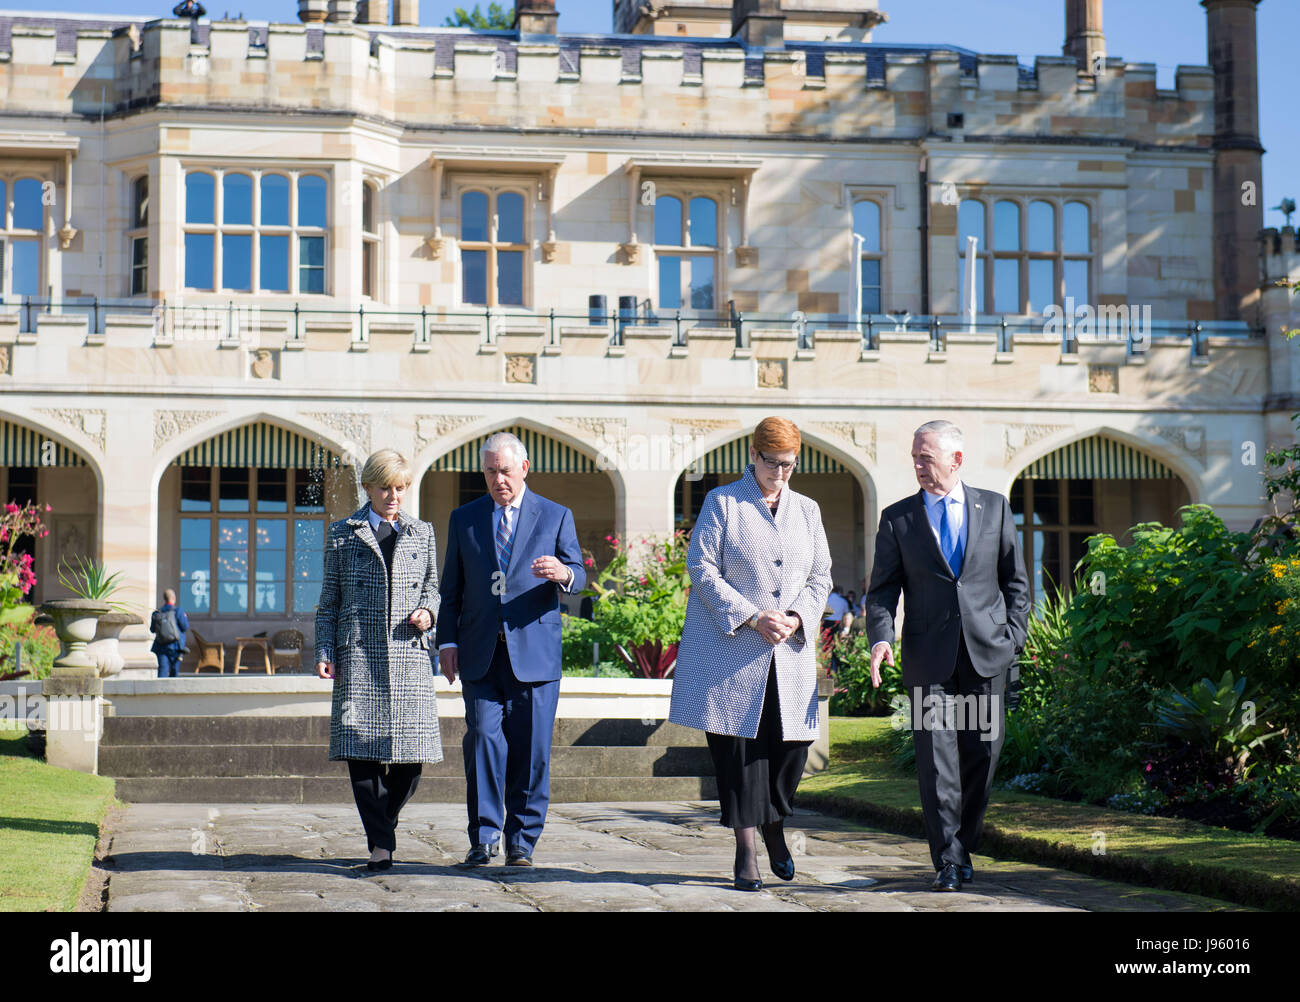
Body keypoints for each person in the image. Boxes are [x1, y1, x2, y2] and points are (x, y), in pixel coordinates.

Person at [864, 420, 1029, 891]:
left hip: (987, 656)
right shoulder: (898, 518)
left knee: (983, 755)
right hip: (928, 660)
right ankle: (950, 860)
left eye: (926, 457)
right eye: (914, 456)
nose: (917, 464)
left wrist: (1013, 635)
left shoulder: (994, 508)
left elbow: (1015, 582)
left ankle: (964, 843)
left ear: (956, 460)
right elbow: (882, 592)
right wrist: (881, 639)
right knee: (937, 762)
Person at [669, 416, 832, 891]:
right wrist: (752, 615)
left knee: (791, 753)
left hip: (790, 653)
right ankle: (746, 851)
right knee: (738, 754)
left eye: (790, 465)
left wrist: (798, 616)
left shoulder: (808, 510)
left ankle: (774, 823)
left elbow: (821, 576)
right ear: (754, 457)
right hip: (733, 654)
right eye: (773, 464)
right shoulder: (724, 502)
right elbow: (701, 566)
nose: (781, 473)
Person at [436, 431, 585, 866]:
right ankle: (484, 837)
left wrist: (563, 572)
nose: (498, 478)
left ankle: (522, 840)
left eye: (505, 470)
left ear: (524, 469)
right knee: (482, 737)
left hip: (535, 655)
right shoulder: (464, 519)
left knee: (532, 749)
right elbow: (452, 590)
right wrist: (448, 642)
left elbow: (580, 576)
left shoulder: (556, 516)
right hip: (481, 652)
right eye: (490, 471)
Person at [314, 449, 442, 872]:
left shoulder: (422, 533)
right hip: (358, 655)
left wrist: (429, 612)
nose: (393, 496)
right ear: (367, 487)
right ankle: (382, 846)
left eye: (400, 488)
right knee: (361, 754)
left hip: (409, 652)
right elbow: (328, 601)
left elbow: (433, 588)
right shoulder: (342, 533)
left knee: (411, 760)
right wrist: (324, 652)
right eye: (385, 487)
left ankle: (381, 828)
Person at [149, 588, 189, 678]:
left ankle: (160, 691)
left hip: (161, 646)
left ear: (164, 598)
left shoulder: (157, 613)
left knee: (162, 670)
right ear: (173, 598)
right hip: (176, 647)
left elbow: (152, 629)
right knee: (174, 671)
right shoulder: (178, 611)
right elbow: (185, 627)